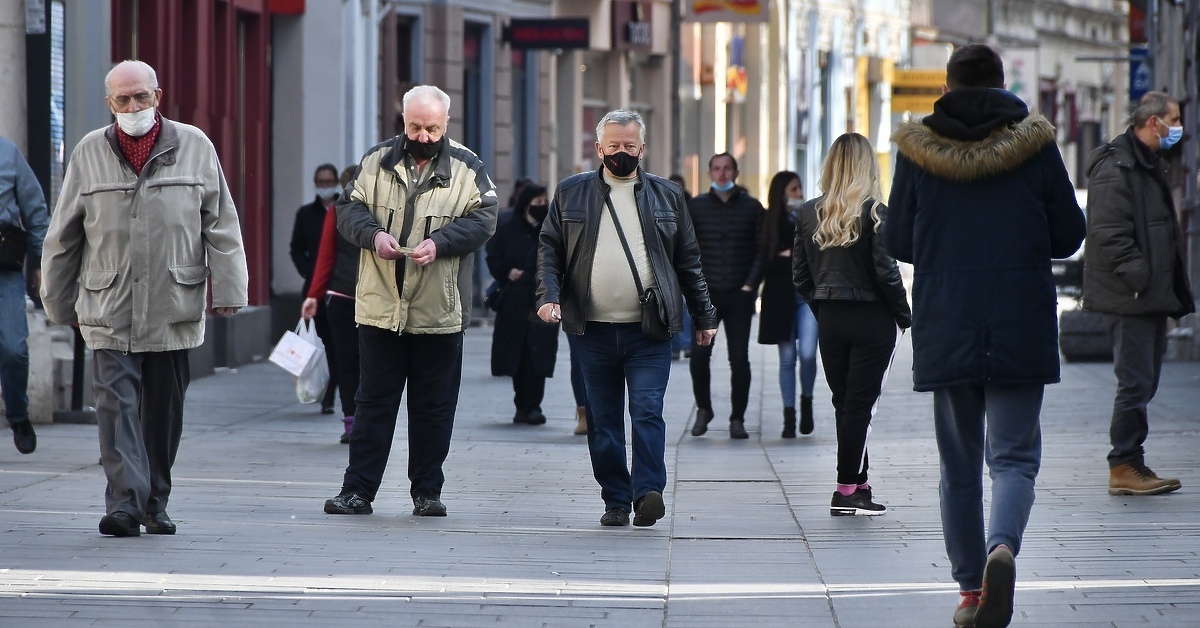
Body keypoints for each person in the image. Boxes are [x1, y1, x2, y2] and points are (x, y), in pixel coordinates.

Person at [886, 44, 1085, 628]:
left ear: (944, 90)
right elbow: (1069, 235)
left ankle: (971, 592)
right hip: (1019, 317)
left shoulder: (918, 152)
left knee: (958, 466)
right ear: (1003, 86)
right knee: (1015, 458)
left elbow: (898, 240)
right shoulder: (1036, 144)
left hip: (947, 318)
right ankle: (1004, 547)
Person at [40, 60, 249, 537]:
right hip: (107, 303)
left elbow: (221, 224)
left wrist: (231, 288)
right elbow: (63, 235)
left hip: (173, 303)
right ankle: (125, 504)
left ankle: (155, 500)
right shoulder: (89, 152)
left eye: (141, 97)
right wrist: (57, 301)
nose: (133, 107)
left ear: (159, 95)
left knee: (163, 411)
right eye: (123, 99)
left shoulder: (195, 145)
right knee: (115, 407)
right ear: (109, 103)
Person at [536, 109, 717, 527]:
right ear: (598, 149)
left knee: (647, 410)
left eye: (630, 146)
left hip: (648, 329)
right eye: (614, 146)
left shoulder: (668, 195)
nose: (622, 153)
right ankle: (616, 498)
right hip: (591, 329)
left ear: (643, 148)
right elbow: (550, 250)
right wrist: (547, 296)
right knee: (603, 421)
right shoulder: (571, 193)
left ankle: (648, 492)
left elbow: (689, 260)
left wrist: (704, 315)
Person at [324, 85, 497, 519]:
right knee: (373, 403)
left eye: (432, 128)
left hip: (439, 309)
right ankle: (358, 491)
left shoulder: (468, 167)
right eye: (415, 126)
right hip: (381, 308)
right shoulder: (375, 160)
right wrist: (374, 235)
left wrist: (439, 243)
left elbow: (484, 219)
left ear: (446, 124)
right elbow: (348, 209)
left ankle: (427, 491)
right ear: (403, 121)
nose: (423, 136)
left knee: (433, 405)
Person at [1082, 91, 1195, 496]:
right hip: (1129, 298)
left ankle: (1133, 461)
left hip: (1146, 297)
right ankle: (1124, 465)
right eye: (1174, 119)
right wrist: (1141, 279)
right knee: (1135, 381)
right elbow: (1110, 234)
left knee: (1144, 382)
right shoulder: (1118, 166)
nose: (1178, 127)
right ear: (1154, 123)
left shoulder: (1147, 164)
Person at [793, 134, 910, 516]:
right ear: (867, 166)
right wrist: (904, 315)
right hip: (872, 318)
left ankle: (859, 483)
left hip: (831, 317)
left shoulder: (810, 212)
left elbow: (800, 277)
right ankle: (845, 489)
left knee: (845, 403)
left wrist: (823, 307)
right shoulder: (876, 211)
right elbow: (887, 272)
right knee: (862, 406)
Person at [687, 153, 764, 439]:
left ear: (735, 171)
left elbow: (761, 250)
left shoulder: (752, 208)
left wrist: (750, 285)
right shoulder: (696, 207)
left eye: (726, 168)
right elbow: (686, 250)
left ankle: (737, 418)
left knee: (739, 358)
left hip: (739, 294)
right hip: (706, 295)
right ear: (709, 173)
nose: (722, 173)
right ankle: (704, 409)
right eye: (717, 169)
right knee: (699, 356)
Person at [486, 183, 559, 426]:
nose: (541, 206)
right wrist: (507, 272)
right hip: (515, 303)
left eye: (544, 201)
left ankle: (534, 405)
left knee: (539, 356)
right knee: (517, 357)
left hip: (541, 299)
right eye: (537, 202)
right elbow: (493, 257)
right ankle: (521, 405)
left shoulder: (551, 228)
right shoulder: (507, 227)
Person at [302, 165, 362, 443]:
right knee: (371, 363)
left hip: (340, 296)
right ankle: (365, 421)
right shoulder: (383, 209)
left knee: (347, 362)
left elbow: (326, 256)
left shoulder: (337, 209)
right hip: (372, 299)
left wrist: (314, 295)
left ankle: (352, 422)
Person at [758, 170, 819, 438]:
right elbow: (765, 257)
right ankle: (789, 416)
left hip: (806, 297)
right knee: (787, 358)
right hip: (780, 297)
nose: (799, 194)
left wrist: (789, 253)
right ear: (782, 192)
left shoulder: (811, 216)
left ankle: (807, 402)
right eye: (794, 189)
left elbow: (816, 251)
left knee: (807, 353)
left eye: (800, 188)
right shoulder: (769, 220)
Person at [0, 136, 49, 455]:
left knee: (14, 347)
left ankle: (18, 416)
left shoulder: (7, 152)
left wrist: (42, 261)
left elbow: (35, 209)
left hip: (4, 267)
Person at [291, 163, 341, 414]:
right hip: (315, 289)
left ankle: (332, 393)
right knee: (321, 342)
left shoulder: (343, 211)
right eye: (320, 182)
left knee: (337, 345)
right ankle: (327, 391)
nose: (325, 186)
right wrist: (307, 271)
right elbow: (296, 248)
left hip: (339, 288)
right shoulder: (306, 214)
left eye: (328, 181)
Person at [667, 173, 693, 360]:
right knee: (675, 304)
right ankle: (677, 345)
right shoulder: (660, 204)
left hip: (685, 262)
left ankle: (686, 343)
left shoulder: (691, 206)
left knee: (685, 303)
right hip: (668, 263)